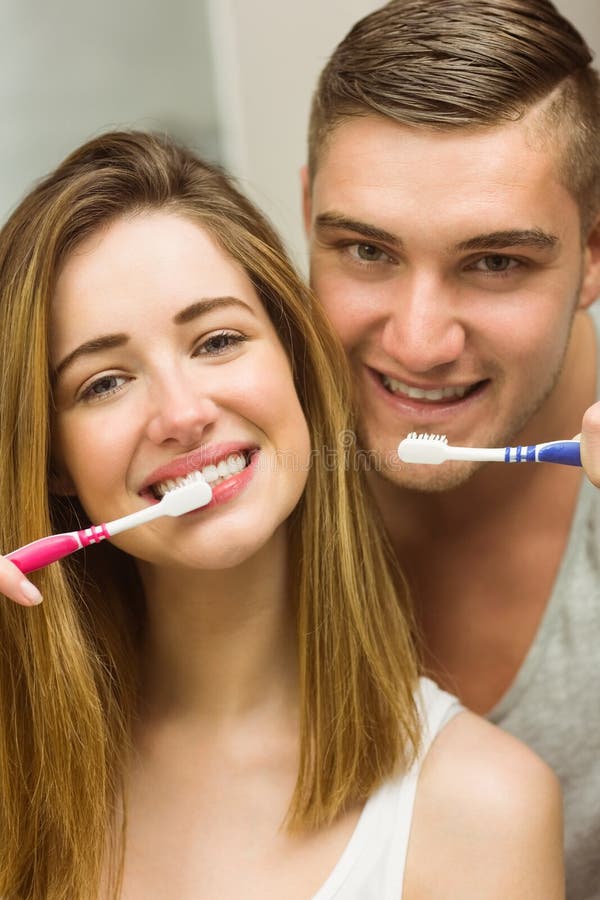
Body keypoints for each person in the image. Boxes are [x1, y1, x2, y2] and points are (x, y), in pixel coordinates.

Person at [0, 131, 562, 898]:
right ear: (53, 458)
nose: (183, 413)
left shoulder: (485, 808)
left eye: (218, 340)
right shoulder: (16, 775)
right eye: (104, 382)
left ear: (294, 359)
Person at [301, 1, 600, 897]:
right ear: (307, 204)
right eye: (366, 250)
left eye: (495, 262)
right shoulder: (223, 449)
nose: (421, 341)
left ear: (594, 254)